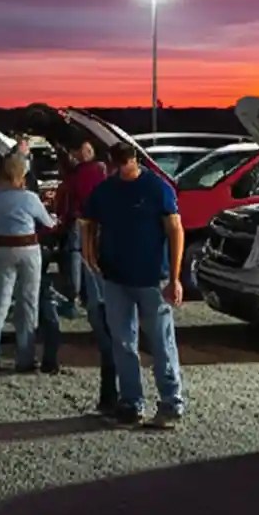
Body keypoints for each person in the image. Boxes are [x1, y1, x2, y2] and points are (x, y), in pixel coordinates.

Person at [82, 142, 186, 428]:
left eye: (126, 164)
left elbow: (175, 229)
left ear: (135, 161)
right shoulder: (106, 190)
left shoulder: (157, 188)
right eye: (119, 166)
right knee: (123, 342)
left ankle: (170, 402)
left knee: (161, 342)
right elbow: (88, 220)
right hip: (116, 277)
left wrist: (175, 278)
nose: (123, 170)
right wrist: (87, 249)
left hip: (152, 278)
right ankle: (130, 402)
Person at [0, 154, 57, 371]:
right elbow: (48, 223)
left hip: (3, 249)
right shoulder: (29, 197)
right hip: (29, 249)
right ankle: (25, 358)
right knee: (28, 304)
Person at [59, 134, 113, 410]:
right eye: (85, 148)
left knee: (81, 260)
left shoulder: (85, 172)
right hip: (87, 222)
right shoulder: (94, 172)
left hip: (83, 222)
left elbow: (71, 197)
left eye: (90, 148)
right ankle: (84, 298)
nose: (88, 152)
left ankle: (80, 298)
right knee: (83, 261)